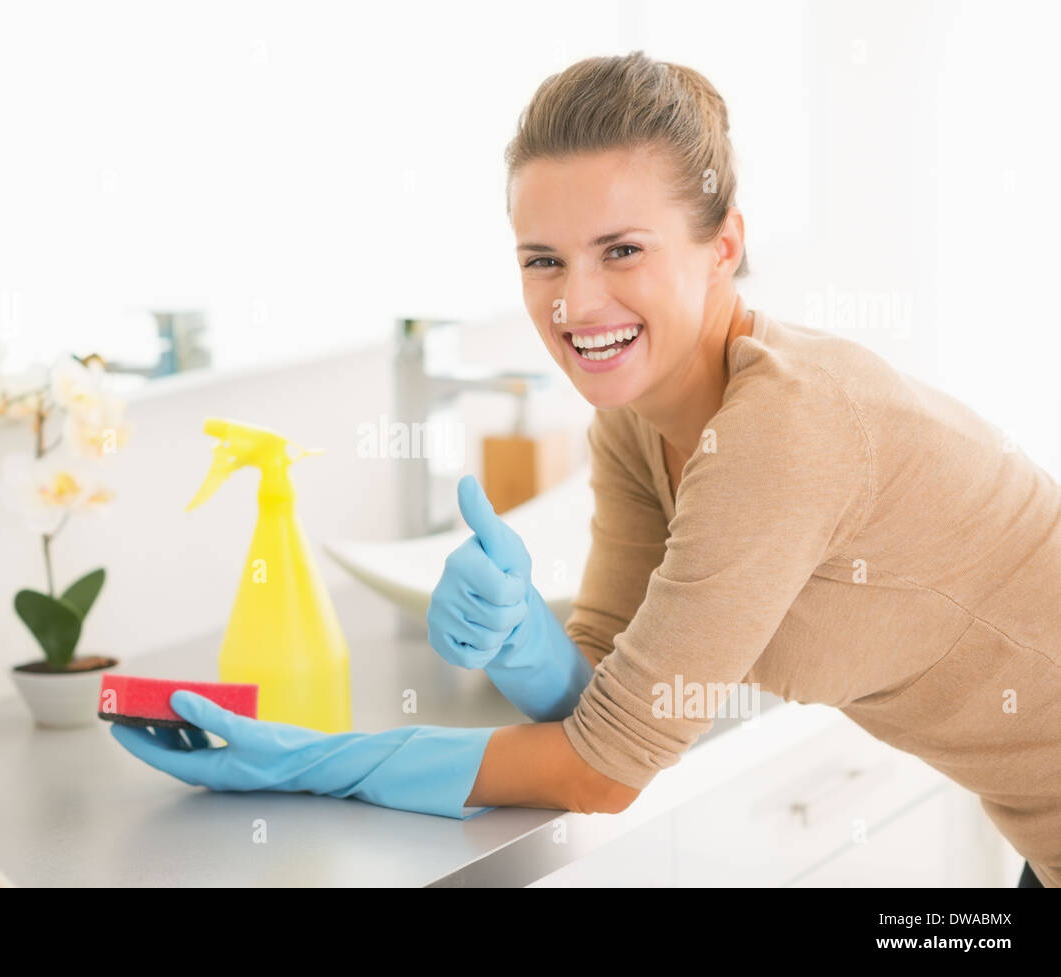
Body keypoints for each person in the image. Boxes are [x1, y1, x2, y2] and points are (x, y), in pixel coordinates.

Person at [111, 51, 1061, 887]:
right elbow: (601, 697)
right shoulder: (638, 421)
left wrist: (324, 761)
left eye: (622, 251)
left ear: (723, 244)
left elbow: (606, 768)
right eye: (543, 260)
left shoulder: (784, 426)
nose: (576, 302)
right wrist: (530, 642)